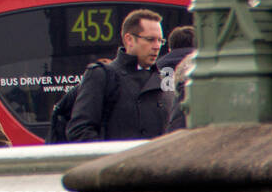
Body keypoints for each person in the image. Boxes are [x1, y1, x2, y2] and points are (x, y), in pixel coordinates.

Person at [66, 9, 185, 142]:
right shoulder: (102, 75)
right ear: (129, 40)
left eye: (160, 41)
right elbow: (79, 130)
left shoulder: (164, 80)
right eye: (150, 39)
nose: (157, 46)